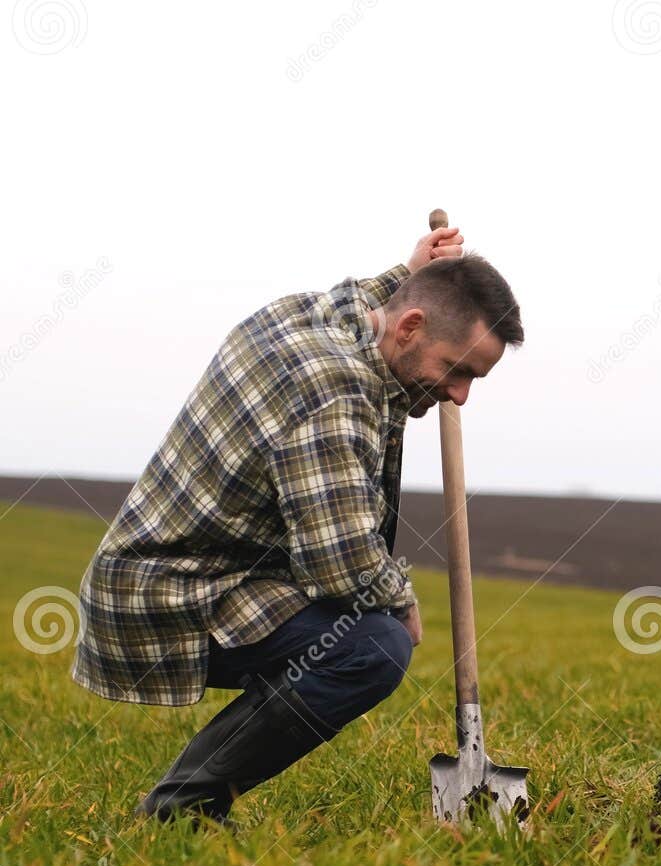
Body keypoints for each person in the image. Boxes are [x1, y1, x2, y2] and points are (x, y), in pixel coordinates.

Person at [73, 224, 523, 826]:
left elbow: (359, 299)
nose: (460, 396)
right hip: (171, 595)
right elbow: (341, 567)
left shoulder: (316, 319)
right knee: (372, 647)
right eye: (458, 369)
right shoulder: (333, 390)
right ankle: (181, 808)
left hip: (176, 574)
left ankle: (184, 799)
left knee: (363, 632)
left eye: (475, 379)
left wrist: (407, 271)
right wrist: (403, 600)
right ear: (411, 327)